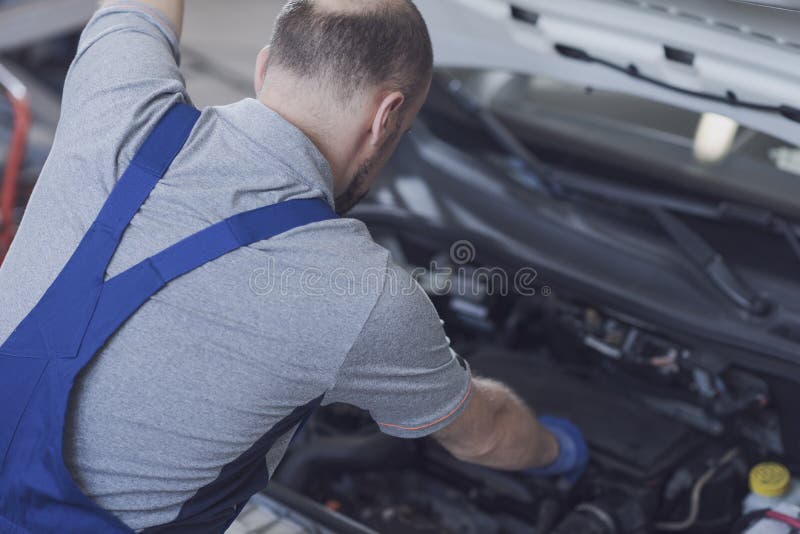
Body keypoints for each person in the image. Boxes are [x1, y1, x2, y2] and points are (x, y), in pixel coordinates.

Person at [0, 0, 587, 532]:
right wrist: (561, 451)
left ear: (263, 69)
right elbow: (485, 438)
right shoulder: (362, 294)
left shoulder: (116, 93)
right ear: (387, 117)